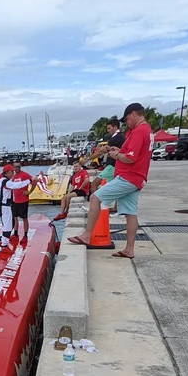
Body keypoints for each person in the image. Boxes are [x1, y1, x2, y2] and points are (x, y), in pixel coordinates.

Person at [67, 103, 153, 259]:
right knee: (130, 213)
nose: (126, 123)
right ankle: (129, 249)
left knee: (94, 198)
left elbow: (129, 158)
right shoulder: (147, 130)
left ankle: (87, 235)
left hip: (128, 177)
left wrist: (117, 156)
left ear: (133, 114)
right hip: (137, 177)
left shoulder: (139, 131)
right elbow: (134, 154)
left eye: (127, 119)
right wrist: (119, 151)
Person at [0, 164, 34, 249]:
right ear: (8, 172)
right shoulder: (5, 182)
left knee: (9, 224)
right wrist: (30, 180)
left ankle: (2, 240)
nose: (13, 173)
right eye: (12, 172)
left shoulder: (1, 180)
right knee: (8, 226)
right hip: (5, 206)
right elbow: (16, 185)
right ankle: (4, 245)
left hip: (4, 205)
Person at [90, 117, 126, 195]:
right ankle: (115, 207)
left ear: (115, 127)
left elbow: (101, 151)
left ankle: (96, 204)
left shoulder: (115, 138)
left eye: (109, 128)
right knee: (117, 188)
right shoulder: (122, 136)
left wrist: (87, 159)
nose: (108, 130)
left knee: (94, 185)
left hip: (112, 167)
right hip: (117, 166)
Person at [10, 160, 37, 241]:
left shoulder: (25, 175)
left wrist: (29, 192)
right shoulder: (12, 176)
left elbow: (34, 182)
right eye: (15, 167)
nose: (17, 168)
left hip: (23, 201)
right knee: (15, 218)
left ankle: (25, 235)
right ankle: (15, 233)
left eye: (19, 167)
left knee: (24, 218)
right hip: (15, 201)